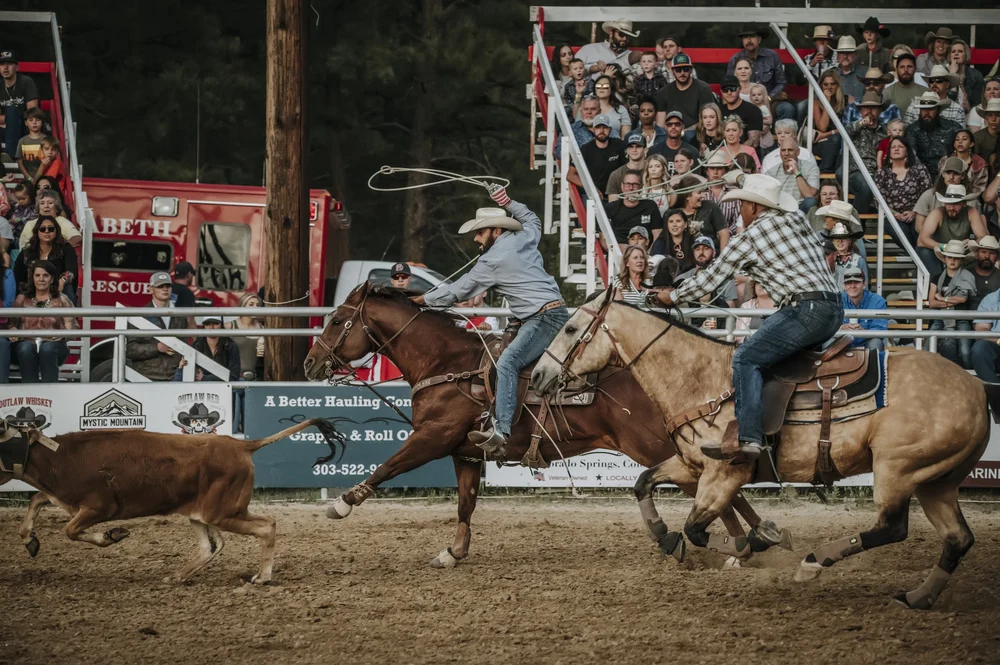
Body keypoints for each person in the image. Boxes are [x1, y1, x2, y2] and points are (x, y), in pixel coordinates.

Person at [657, 173, 842, 462]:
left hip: (804, 310)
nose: (741, 211)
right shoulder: (797, 220)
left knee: (745, 358)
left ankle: (750, 437)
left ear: (754, 207)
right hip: (832, 309)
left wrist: (673, 297)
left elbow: (711, 280)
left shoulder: (751, 237)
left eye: (743, 203)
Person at [415, 185, 570, 456]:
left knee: (508, 361)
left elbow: (457, 292)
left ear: (496, 231)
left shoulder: (491, 261)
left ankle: (501, 430)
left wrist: (422, 301)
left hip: (542, 318)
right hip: (553, 313)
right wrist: (508, 201)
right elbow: (532, 219)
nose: (476, 238)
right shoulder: (523, 238)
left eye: (480, 231)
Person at [8, 260, 75, 383]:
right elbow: (11, 324)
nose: (41, 279)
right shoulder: (21, 299)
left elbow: (72, 329)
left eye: (45, 275)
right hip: (26, 345)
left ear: (52, 278)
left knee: (48, 348)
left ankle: (49, 393)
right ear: (32, 278)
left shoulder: (62, 299)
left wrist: (63, 334)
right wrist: (13, 330)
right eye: (37, 275)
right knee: (26, 348)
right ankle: (31, 392)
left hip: (54, 347)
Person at [917, 184, 988, 280]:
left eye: (956, 204)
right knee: (924, 252)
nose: (951, 207)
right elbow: (921, 240)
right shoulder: (937, 213)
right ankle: (937, 282)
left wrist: (973, 242)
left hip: (961, 253)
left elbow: (983, 237)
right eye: (948, 203)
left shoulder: (971, 212)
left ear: (964, 203)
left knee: (980, 254)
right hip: (939, 251)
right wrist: (944, 247)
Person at [126, 272, 188, 381]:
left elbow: (185, 346)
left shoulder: (180, 316)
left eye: (168, 286)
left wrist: (182, 365)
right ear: (150, 289)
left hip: (174, 377)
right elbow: (130, 350)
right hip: (146, 378)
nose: (165, 289)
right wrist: (157, 348)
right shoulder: (139, 316)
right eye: (160, 286)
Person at [875, 136, 933, 247]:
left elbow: (928, 194)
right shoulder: (882, 173)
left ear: (907, 151)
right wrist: (895, 214)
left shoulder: (919, 169)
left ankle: (920, 259)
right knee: (902, 234)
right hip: (892, 217)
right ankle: (919, 259)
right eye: (893, 147)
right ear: (889, 152)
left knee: (920, 233)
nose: (896, 149)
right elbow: (878, 200)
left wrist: (914, 212)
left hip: (918, 214)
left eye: (900, 146)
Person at [727, 25, 794, 121]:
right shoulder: (735, 59)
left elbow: (781, 82)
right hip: (742, 101)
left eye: (752, 36)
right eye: (745, 37)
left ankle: (783, 134)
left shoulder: (772, 56)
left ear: (759, 39)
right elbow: (729, 84)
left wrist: (769, 98)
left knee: (787, 108)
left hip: (770, 100)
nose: (749, 40)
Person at [928, 239, 976, 368]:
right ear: (944, 258)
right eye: (949, 257)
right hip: (940, 319)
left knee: (965, 351)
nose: (952, 261)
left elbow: (962, 299)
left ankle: (972, 376)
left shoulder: (967, 276)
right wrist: (951, 301)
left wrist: (943, 299)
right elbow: (932, 303)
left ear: (961, 260)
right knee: (927, 347)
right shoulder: (936, 277)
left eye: (956, 258)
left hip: (962, 318)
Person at [842, 90, 890, 214]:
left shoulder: (886, 131)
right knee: (865, 187)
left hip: (880, 173)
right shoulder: (854, 127)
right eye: (865, 108)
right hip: (856, 172)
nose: (869, 111)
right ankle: (856, 225)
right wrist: (861, 123)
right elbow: (844, 133)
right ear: (861, 111)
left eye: (873, 108)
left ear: (879, 111)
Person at [13, 214, 79, 305]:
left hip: (58, 289)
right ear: (37, 231)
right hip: (31, 291)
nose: (47, 231)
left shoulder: (66, 248)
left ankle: (69, 315)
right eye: (42, 229)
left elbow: (72, 271)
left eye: (51, 229)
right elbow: (18, 276)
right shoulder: (27, 252)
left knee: (68, 287)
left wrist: (63, 280)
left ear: (56, 231)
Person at [907, 92, 964, 183]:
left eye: (930, 109)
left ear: (938, 110)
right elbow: (912, 157)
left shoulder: (952, 128)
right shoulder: (912, 130)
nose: (926, 113)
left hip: (949, 175)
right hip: (921, 178)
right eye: (923, 109)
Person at [674, 235, 739, 314]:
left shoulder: (725, 279)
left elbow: (730, 312)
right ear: (693, 253)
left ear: (714, 252)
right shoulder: (682, 278)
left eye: (706, 248)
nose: (701, 252)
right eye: (697, 249)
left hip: (717, 322)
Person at [653, 53, 713, 138]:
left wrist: (683, 132)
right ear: (672, 71)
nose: (682, 73)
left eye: (685, 69)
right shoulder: (664, 92)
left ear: (691, 70)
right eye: (678, 69)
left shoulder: (703, 89)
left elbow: (707, 120)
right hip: (671, 134)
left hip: (697, 134)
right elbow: (661, 125)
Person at [604, 170, 661, 251]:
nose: (631, 188)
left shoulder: (650, 206)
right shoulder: (611, 207)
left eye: (635, 185)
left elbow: (657, 235)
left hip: (644, 253)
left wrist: (648, 255)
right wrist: (617, 251)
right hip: (618, 253)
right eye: (627, 184)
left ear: (641, 187)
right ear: (622, 186)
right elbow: (603, 237)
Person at [572, 114, 626, 196]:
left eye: (605, 127)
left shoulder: (620, 145)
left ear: (610, 129)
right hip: (593, 196)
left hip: (618, 194)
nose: (601, 130)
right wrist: (590, 188)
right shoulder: (585, 149)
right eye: (598, 127)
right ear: (593, 129)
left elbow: (630, 168)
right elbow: (570, 174)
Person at [0, 51, 39, 163]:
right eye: (2, 64)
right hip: (6, 129)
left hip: (25, 127)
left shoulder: (26, 82)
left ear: (17, 67)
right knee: (11, 114)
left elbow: (32, 113)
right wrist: (9, 120)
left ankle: (11, 154)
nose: (5, 68)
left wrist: (9, 118)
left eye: (9, 64)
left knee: (12, 111)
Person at [554, 96, 620, 161]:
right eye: (585, 109)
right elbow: (558, 152)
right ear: (581, 112)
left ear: (599, 111)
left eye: (593, 109)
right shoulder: (570, 130)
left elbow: (618, 150)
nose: (589, 112)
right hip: (579, 169)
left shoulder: (609, 130)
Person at [675, 175, 730, 250]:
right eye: (699, 193)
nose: (703, 195)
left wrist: (722, 258)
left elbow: (724, 233)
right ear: (687, 196)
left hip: (711, 256)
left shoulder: (710, 207)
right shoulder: (673, 214)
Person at [764, 137, 819, 212]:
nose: (786, 153)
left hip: (800, 208)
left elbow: (809, 195)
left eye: (790, 150)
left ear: (798, 152)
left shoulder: (811, 167)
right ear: (780, 153)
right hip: (780, 208)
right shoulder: (772, 172)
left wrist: (797, 172)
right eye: (783, 150)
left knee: (810, 201)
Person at [840, 267, 887, 351]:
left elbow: (880, 330)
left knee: (876, 343)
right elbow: (828, 326)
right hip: (843, 342)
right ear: (844, 286)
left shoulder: (878, 301)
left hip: (867, 342)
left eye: (857, 282)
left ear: (864, 284)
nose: (852, 286)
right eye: (848, 283)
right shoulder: (837, 300)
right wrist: (841, 328)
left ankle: (874, 364)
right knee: (827, 343)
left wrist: (863, 332)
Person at [810, 70, 845, 173]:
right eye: (826, 84)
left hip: (841, 139)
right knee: (835, 140)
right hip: (822, 142)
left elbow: (848, 127)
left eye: (832, 84)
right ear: (821, 86)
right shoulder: (816, 103)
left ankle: (825, 169)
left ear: (837, 85)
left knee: (837, 139)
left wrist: (828, 134)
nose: (829, 87)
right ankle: (825, 170)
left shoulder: (847, 100)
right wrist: (827, 102)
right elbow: (822, 127)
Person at [939, 129, 988, 202]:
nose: (960, 142)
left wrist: (963, 198)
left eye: (964, 139)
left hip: (970, 199)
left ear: (971, 144)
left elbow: (979, 189)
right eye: (957, 139)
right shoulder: (945, 160)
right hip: (946, 196)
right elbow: (941, 183)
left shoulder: (980, 163)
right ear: (954, 144)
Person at [226, 291, 265, 380]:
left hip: (256, 378)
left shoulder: (263, 329)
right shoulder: (230, 326)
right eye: (251, 305)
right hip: (235, 378)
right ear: (242, 306)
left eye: (258, 305)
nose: (255, 308)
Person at [189, 316, 241, 382]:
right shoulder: (197, 345)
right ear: (204, 326)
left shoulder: (231, 345)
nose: (211, 327)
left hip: (224, 389)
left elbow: (234, 376)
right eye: (207, 324)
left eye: (215, 324)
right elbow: (191, 373)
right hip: (201, 389)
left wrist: (205, 378)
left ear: (221, 325)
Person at [701, 151, 741, 234]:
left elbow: (738, 221)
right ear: (707, 171)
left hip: (730, 237)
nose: (715, 172)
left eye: (719, 168)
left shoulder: (734, 192)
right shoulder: (699, 192)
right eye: (712, 168)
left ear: (725, 171)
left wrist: (726, 233)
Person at [718, 75, 763, 148]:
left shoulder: (753, 110)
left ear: (739, 88)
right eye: (725, 89)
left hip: (745, 156)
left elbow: (754, 141)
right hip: (721, 154)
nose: (729, 92)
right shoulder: (718, 111)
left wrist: (734, 153)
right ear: (721, 91)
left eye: (732, 88)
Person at [650, 208, 694, 273]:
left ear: (685, 224)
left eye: (678, 221)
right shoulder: (660, 243)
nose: (674, 225)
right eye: (671, 221)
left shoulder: (693, 242)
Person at [970, 285, 1000, 382]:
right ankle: (995, 391)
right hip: (998, 346)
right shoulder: (991, 299)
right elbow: (981, 329)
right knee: (980, 348)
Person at [828, 221, 868, 289]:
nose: (840, 241)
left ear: (849, 240)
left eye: (843, 238)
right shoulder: (828, 259)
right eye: (836, 238)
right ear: (833, 241)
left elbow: (865, 286)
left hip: (852, 298)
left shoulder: (858, 260)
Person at [606, 134, 647, 200]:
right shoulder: (616, 175)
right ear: (627, 150)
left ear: (645, 150)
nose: (634, 150)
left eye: (638, 146)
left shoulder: (653, 171)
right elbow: (612, 205)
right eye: (631, 147)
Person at [966, 237, 1000, 312]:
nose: (987, 256)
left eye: (991, 253)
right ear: (977, 254)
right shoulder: (965, 274)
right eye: (983, 252)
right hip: (966, 319)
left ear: (997, 257)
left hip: (993, 320)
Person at [949, 39, 984, 109]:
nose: (956, 53)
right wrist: (952, 74)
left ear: (966, 55)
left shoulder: (976, 75)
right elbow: (948, 102)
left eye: (960, 51)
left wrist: (969, 107)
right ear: (950, 56)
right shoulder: (943, 72)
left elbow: (978, 103)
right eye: (953, 51)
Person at [14, 106, 45, 181]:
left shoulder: (46, 140)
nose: (34, 122)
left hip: (44, 178)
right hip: (28, 179)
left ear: (42, 122)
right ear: (26, 123)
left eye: (37, 120)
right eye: (31, 120)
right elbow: (20, 163)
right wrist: (29, 178)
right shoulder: (22, 141)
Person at [832, 35, 864, 103]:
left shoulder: (865, 73)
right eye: (842, 52)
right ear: (837, 55)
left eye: (848, 52)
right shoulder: (831, 74)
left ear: (855, 54)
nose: (845, 56)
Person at [8, 181, 36, 249]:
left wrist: (18, 219)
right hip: (16, 234)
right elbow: (14, 219)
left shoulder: (34, 209)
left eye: (23, 199)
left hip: (27, 236)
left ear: (31, 196)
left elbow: (30, 220)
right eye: (18, 199)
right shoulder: (18, 207)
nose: (20, 201)